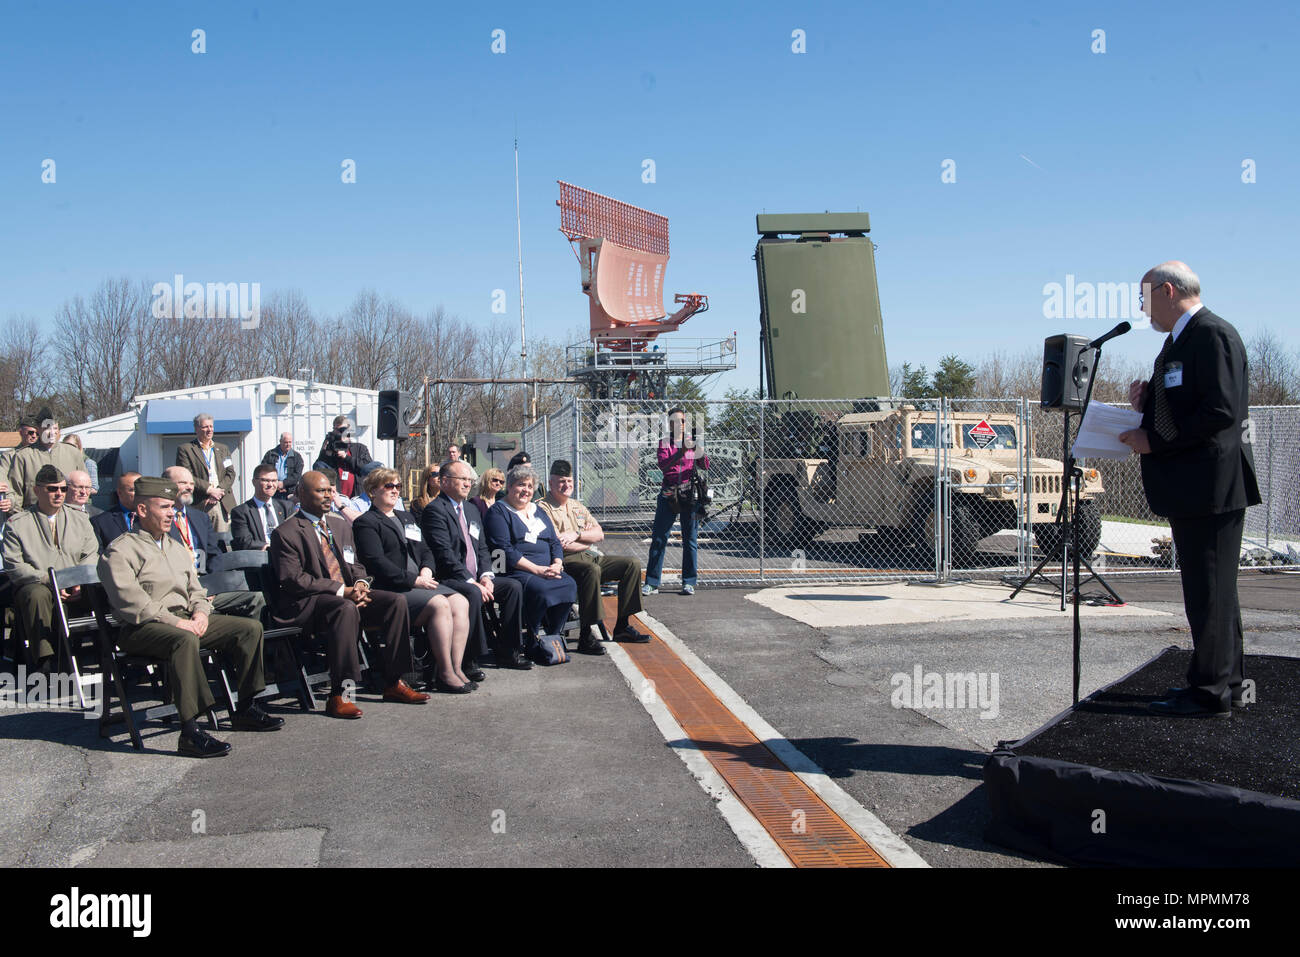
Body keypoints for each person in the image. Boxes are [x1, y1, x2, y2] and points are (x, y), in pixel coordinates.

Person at [1119, 261, 1261, 719]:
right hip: (1194, 487)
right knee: (1212, 592)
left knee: (1210, 593)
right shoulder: (1176, 341)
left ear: (1166, 290)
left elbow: (1220, 411)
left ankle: (1210, 693)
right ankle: (1228, 685)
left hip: (1212, 487)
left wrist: (1154, 439)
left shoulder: (1212, 334)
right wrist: (1148, 402)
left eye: (1144, 298)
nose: (1142, 309)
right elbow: (1187, 404)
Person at [99, 476, 283, 758]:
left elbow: (197, 589)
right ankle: (190, 732)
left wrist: (200, 612)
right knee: (184, 640)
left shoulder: (175, 547)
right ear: (143, 511)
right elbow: (132, 603)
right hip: (142, 628)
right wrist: (179, 623)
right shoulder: (120, 550)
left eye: (172, 506)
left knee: (248, 629)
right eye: (163, 507)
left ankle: (245, 707)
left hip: (185, 619)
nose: (171, 512)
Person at [268, 470, 429, 718]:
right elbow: (294, 580)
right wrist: (343, 591)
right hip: (308, 605)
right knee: (344, 608)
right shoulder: (286, 532)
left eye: (330, 490)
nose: (327, 496)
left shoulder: (339, 525)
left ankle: (394, 682)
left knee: (395, 601)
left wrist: (362, 585)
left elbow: (356, 566)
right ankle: (341, 693)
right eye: (320, 491)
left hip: (347, 597)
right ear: (301, 494)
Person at [353, 468, 476, 693]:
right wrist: (413, 581)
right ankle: (445, 672)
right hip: (395, 588)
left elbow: (425, 549)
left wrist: (427, 569)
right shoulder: (366, 522)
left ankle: (457, 667)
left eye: (398, 486)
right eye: (388, 486)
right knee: (440, 604)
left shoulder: (406, 517)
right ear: (372, 491)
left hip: (422, 581)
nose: (395, 491)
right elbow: (376, 563)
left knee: (461, 601)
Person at [421, 460, 529, 671]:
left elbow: (482, 548)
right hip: (451, 578)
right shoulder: (435, 511)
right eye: (462, 479)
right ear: (444, 482)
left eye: (469, 480)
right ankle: (470, 658)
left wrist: (487, 575)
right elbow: (444, 555)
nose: (467, 484)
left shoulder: (471, 510)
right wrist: (472, 581)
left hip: (477, 577)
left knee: (513, 587)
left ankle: (510, 651)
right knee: (471, 593)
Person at [539, 459, 648, 653]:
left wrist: (578, 535)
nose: (566, 485)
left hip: (588, 555)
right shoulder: (543, 508)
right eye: (562, 481)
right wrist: (587, 541)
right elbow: (558, 543)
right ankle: (586, 635)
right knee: (592, 570)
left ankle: (622, 626)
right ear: (551, 483)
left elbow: (600, 533)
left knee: (631, 564)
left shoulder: (576, 506)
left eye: (570, 481)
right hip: (565, 560)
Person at [1, 465, 98, 672]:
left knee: (104, 589)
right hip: (38, 584)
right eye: (52, 489)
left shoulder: (79, 519)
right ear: (37, 490)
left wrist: (79, 582)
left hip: (76, 584)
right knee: (37, 595)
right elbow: (14, 566)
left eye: (63, 489)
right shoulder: (17, 524)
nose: (59, 494)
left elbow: (91, 554)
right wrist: (48, 580)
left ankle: (109, 652)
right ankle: (45, 659)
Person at [484, 464, 578, 640]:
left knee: (569, 584)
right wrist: (536, 570)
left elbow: (554, 541)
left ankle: (553, 635)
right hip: (517, 571)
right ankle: (533, 635)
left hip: (548, 569)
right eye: (520, 484)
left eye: (529, 486)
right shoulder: (498, 512)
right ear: (510, 486)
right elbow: (504, 549)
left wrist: (557, 563)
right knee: (541, 589)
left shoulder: (538, 511)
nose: (525, 490)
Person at [164, 466, 265, 620]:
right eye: (183, 483)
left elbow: (214, 555)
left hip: (206, 587)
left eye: (191, 483)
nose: (190, 487)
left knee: (257, 598)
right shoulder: (159, 520)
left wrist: (213, 586)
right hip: (178, 592)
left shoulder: (200, 517)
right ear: (167, 485)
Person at [643, 407, 710, 596]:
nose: (678, 424)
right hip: (669, 493)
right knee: (659, 538)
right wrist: (680, 453)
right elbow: (663, 465)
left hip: (689, 494)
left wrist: (699, 450)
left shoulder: (691, 441)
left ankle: (689, 582)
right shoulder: (664, 443)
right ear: (669, 424)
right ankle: (652, 582)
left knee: (690, 540)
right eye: (673, 421)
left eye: (681, 421)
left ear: (685, 423)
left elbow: (704, 465)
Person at [8, 409, 85, 507]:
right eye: (47, 428)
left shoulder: (73, 453)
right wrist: (19, 516)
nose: (52, 433)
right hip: (33, 514)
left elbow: (84, 486)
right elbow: (15, 491)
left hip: (68, 514)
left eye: (55, 428)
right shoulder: (24, 456)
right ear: (39, 430)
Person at [175, 413, 236, 533]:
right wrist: (209, 490)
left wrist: (218, 491)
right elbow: (187, 475)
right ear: (196, 429)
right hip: (201, 502)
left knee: (222, 542)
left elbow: (231, 474)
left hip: (222, 501)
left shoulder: (223, 449)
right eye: (205, 427)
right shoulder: (186, 449)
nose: (209, 430)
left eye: (211, 426)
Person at [230, 464, 293, 550]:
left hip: (286, 556)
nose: (270, 484)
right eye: (266, 480)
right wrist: (269, 548)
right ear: (254, 482)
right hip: (259, 558)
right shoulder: (241, 512)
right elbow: (244, 541)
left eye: (274, 480)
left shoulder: (286, 507)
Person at [92, 471, 142, 550]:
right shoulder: (101, 522)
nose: (139, 493)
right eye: (133, 490)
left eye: (141, 489)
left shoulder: (154, 517)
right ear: (120, 492)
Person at [261, 432, 303, 500]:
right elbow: (263, 471)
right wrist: (275, 483)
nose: (288, 444)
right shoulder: (270, 455)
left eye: (290, 442)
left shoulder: (297, 457)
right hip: (272, 491)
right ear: (280, 441)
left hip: (289, 493)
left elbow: (297, 475)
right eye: (286, 442)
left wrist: (283, 484)